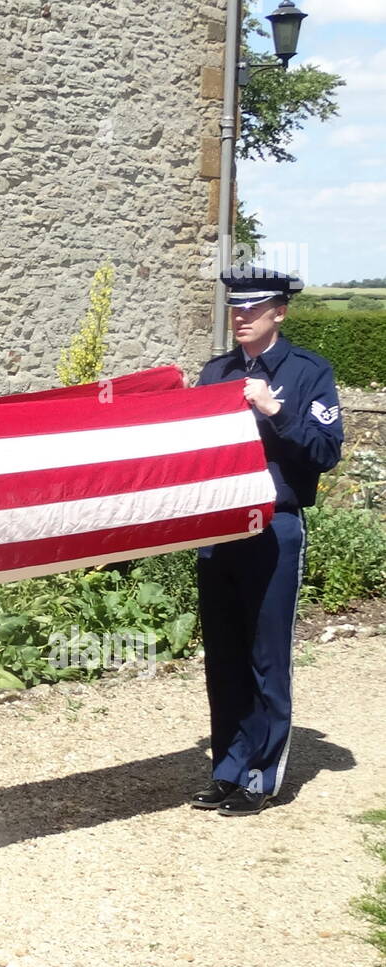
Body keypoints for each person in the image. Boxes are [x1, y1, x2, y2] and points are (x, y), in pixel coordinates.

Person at [191, 268, 343, 816]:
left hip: (273, 528)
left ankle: (262, 774)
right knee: (224, 656)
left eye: (254, 309)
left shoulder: (307, 373)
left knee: (265, 655)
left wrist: (275, 411)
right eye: (236, 308)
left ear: (279, 312)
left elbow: (326, 451)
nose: (242, 317)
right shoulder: (215, 373)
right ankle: (228, 770)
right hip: (218, 530)